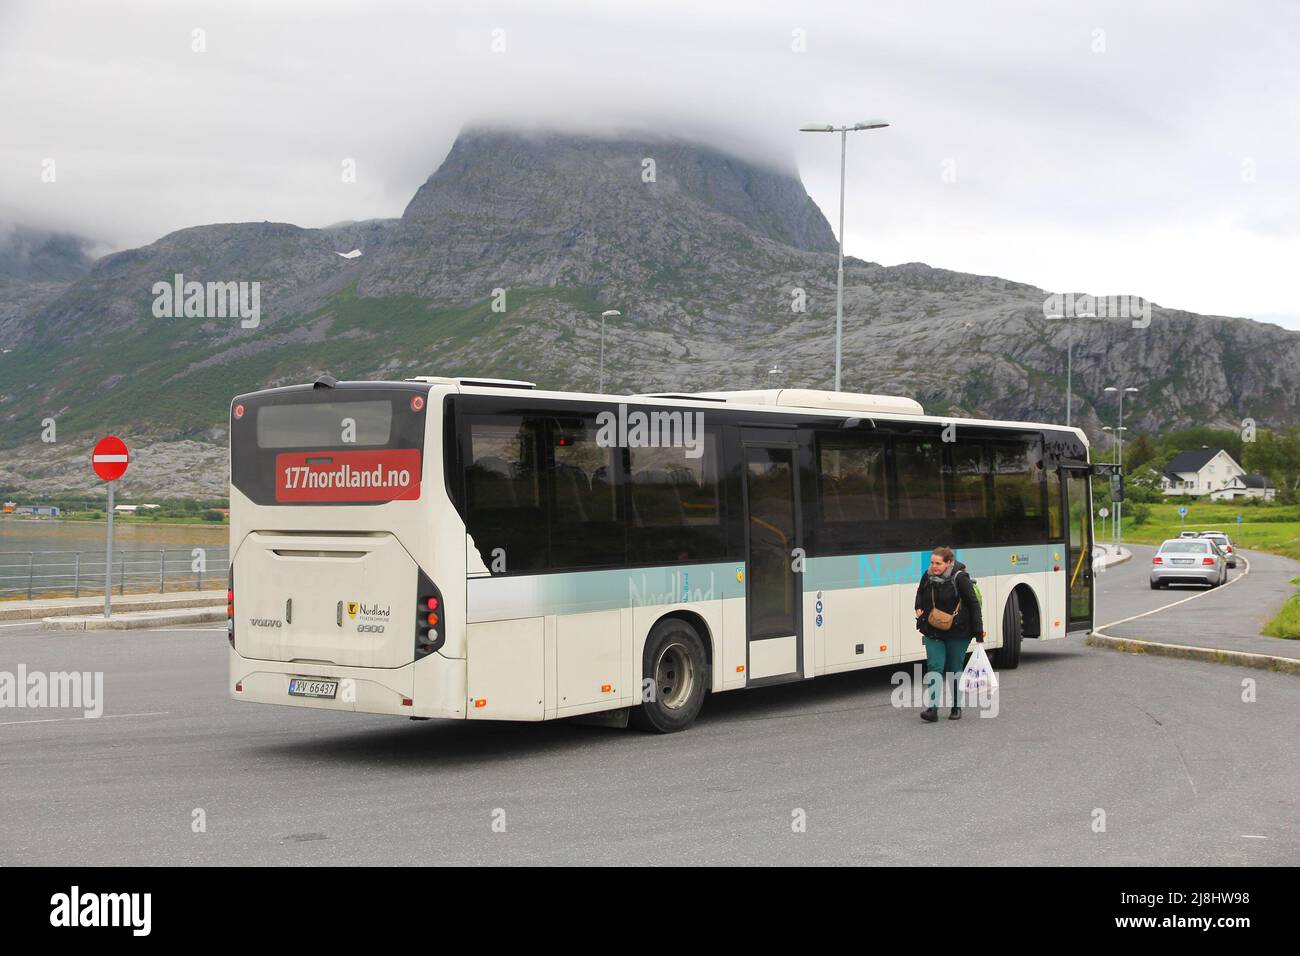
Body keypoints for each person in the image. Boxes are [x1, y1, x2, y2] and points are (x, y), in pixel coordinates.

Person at [914, 546, 983, 722]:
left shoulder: (960, 578)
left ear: (949, 563)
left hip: (958, 631)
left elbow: (973, 604)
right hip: (933, 628)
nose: (934, 566)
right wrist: (918, 607)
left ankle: (956, 707)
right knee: (935, 666)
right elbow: (920, 592)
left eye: (938, 563)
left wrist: (978, 632)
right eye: (932, 562)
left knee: (954, 668)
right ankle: (932, 709)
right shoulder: (928, 575)